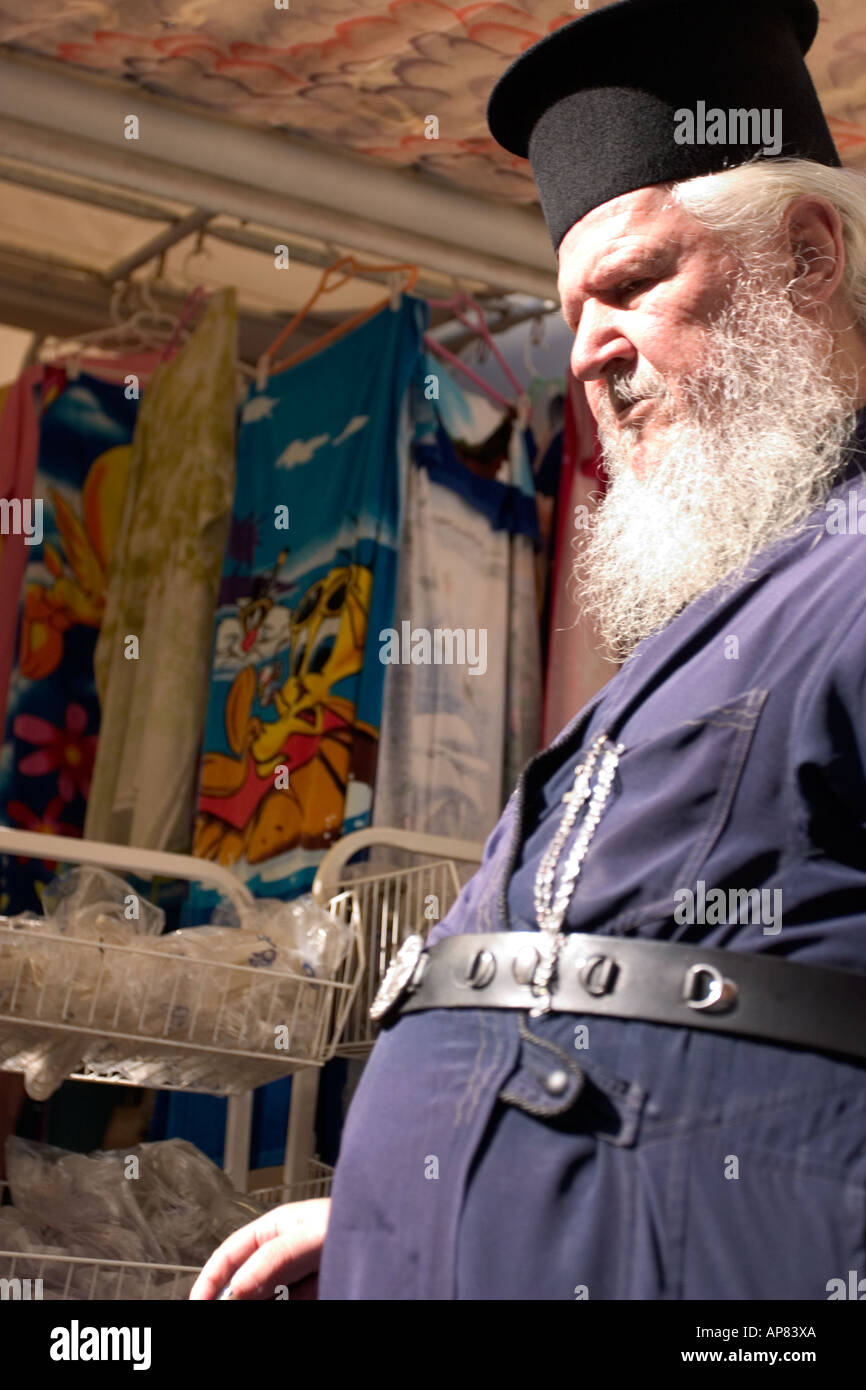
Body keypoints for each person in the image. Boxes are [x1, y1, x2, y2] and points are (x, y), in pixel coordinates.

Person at [191, 0, 866, 1301]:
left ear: (809, 256)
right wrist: (419, 1190)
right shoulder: (719, 613)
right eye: (572, 312)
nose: (592, 351)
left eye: (633, 283)